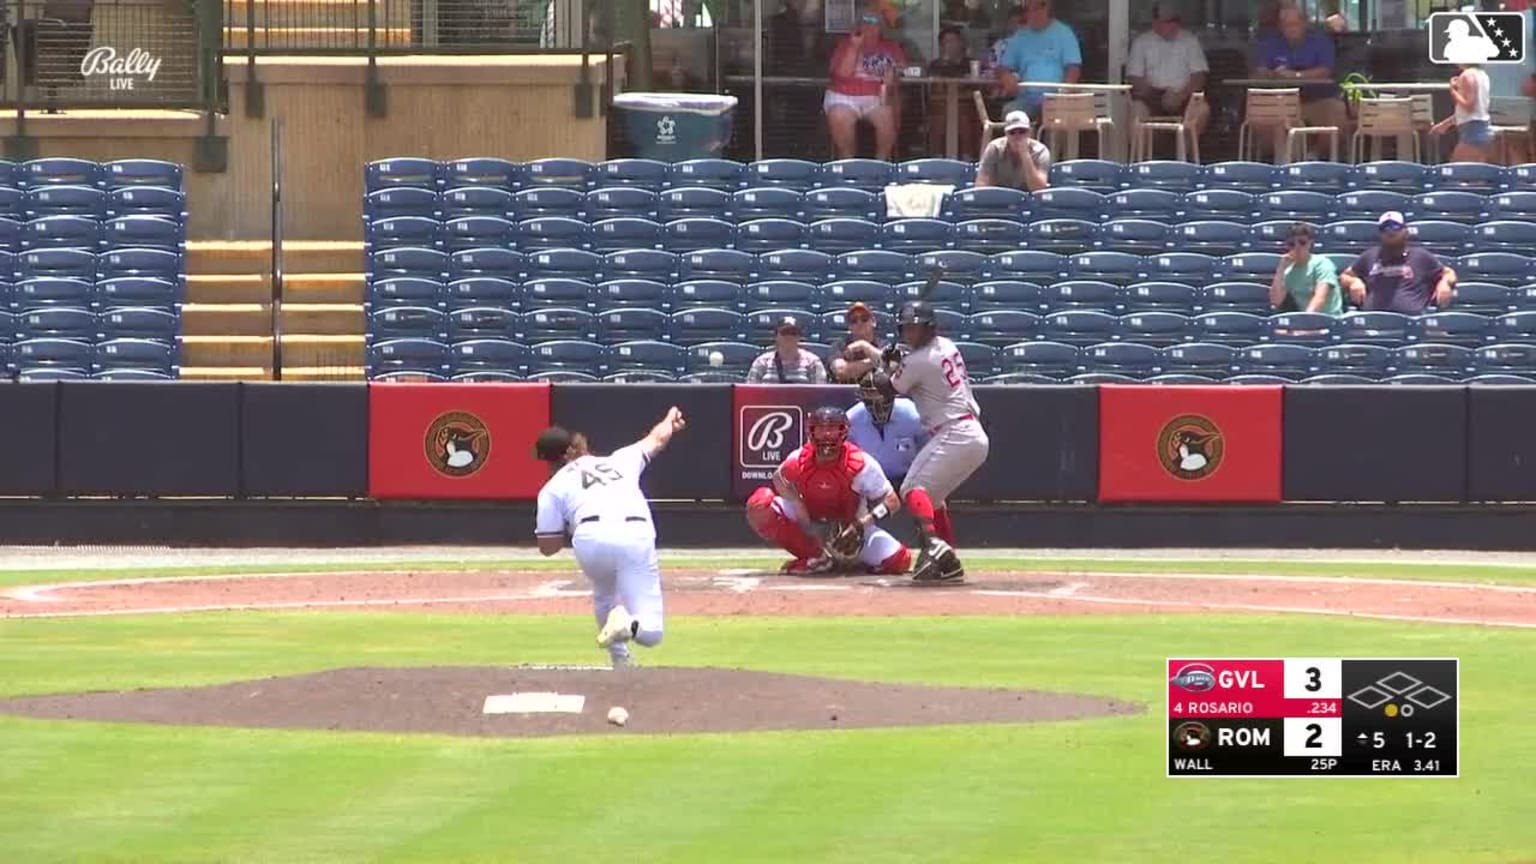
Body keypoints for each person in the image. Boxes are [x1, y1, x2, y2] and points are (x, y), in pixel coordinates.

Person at [532, 406, 687, 669]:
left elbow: (548, 547)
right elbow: (657, 438)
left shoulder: (551, 488)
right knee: (650, 633)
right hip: (635, 535)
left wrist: (568, 523)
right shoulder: (620, 459)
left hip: (590, 538)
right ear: (576, 445)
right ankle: (628, 625)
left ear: (547, 460)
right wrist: (669, 419)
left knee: (604, 594)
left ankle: (620, 659)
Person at [869, 300, 990, 584]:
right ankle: (948, 561)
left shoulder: (918, 361)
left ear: (929, 327)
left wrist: (884, 364)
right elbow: (912, 368)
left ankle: (934, 547)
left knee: (912, 489)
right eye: (906, 328)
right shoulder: (946, 345)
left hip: (955, 431)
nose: (910, 333)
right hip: (971, 434)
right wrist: (898, 362)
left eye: (915, 327)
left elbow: (885, 389)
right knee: (931, 499)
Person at [744, 406, 912, 576]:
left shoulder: (862, 464)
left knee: (900, 560)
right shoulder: (798, 459)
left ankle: (851, 561)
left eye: (831, 429)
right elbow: (778, 478)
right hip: (810, 526)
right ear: (811, 432)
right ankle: (815, 556)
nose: (826, 435)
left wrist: (862, 524)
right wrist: (798, 505)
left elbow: (892, 501)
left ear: (843, 432)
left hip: (850, 531)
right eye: (821, 429)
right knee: (760, 504)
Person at [1253, 5, 1350, 157]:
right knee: (1259, 109)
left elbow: (1326, 71)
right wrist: (1271, 74)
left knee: (1337, 110)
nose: (1290, 28)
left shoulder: (1320, 41)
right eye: (1285, 25)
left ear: (1304, 23)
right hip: (1281, 102)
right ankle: (1284, 159)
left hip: (1317, 99)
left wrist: (1296, 75)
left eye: (1294, 24)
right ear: (1279, 26)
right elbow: (1259, 71)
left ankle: (1314, 156)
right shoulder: (1270, 43)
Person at [1338, 211, 1459, 314]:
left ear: (1405, 231)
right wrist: (1353, 281)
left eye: (1395, 227)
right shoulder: (1370, 256)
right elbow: (1345, 275)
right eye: (1385, 228)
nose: (1390, 232)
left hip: (1412, 322)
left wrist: (1445, 282)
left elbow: (1449, 273)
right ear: (1380, 234)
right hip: (1373, 322)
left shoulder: (1421, 256)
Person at [825, 11, 907, 160]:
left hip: (877, 97)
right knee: (838, 115)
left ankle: (881, 162)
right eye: (865, 24)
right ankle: (848, 161)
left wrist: (893, 77)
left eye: (874, 24)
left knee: (889, 115)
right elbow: (842, 74)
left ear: (881, 28)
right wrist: (854, 47)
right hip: (844, 96)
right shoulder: (845, 45)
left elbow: (904, 72)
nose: (869, 28)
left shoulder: (892, 47)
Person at [1125, 4, 1210, 146]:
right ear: (1155, 23)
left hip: (1183, 97)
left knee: (1202, 110)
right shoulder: (1141, 42)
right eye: (1167, 22)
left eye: (1175, 21)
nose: (1173, 25)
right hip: (1152, 97)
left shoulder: (1190, 41)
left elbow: (1199, 75)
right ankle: (1141, 162)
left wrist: (1180, 96)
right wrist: (1157, 94)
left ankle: (1186, 159)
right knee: (1135, 112)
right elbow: (1134, 78)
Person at [995, 0, 1082, 118]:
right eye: (1028, 9)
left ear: (1047, 7)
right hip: (1027, 99)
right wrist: (1006, 76)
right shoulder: (1020, 36)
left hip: (1056, 99)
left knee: (1057, 119)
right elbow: (1003, 67)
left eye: (1037, 7)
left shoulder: (1064, 33)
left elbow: (1073, 68)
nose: (1033, 13)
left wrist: (1064, 94)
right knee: (1011, 113)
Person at [849, 371, 927, 489]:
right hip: (870, 483)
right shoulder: (852, 419)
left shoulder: (913, 414)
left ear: (893, 397)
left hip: (909, 480)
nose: (877, 408)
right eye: (869, 402)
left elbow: (929, 453)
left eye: (882, 402)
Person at [927, 26, 982, 159]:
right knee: (939, 116)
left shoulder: (971, 64)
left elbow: (978, 88)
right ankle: (937, 157)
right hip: (941, 105)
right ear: (941, 46)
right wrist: (945, 64)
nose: (951, 45)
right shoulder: (935, 65)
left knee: (963, 116)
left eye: (954, 40)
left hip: (967, 105)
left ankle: (967, 157)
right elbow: (933, 88)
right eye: (947, 41)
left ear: (961, 43)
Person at [1269, 222, 1343, 314]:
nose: (1297, 247)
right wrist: (1281, 269)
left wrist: (1306, 321)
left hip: (1329, 320)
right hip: (1305, 323)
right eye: (1292, 244)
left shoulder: (1322, 263)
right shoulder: (1288, 272)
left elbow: (1320, 297)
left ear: (1310, 243)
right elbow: (1276, 301)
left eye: (1302, 242)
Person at [1432, 62, 1496, 163]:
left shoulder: (1467, 75)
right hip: (1481, 127)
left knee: (1456, 169)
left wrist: (1453, 91)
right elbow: (1474, 110)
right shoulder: (1482, 75)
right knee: (1475, 171)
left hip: (1472, 130)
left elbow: (1469, 106)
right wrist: (1445, 125)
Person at [975, 110, 1051, 191]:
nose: (1017, 136)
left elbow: (1039, 189)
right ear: (1006, 134)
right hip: (1001, 199)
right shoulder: (994, 149)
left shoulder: (1040, 151)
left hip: (1028, 199)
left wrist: (1025, 156)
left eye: (1022, 131)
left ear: (1029, 132)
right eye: (1012, 132)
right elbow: (981, 186)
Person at [747, 315, 829, 384]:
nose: (789, 336)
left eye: (793, 333)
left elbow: (820, 393)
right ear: (776, 336)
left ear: (799, 337)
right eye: (784, 332)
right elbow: (750, 391)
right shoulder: (762, 362)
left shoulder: (812, 362)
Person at [826, 302, 884, 383]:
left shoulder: (884, 345)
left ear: (873, 322)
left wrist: (864, 346)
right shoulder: (839, 346)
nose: (859, 323)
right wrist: (875, 362)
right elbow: (840, 371)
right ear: (849, 326)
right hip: (846, 393)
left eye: (864, 319)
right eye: (854, 320)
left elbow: (892, 365)